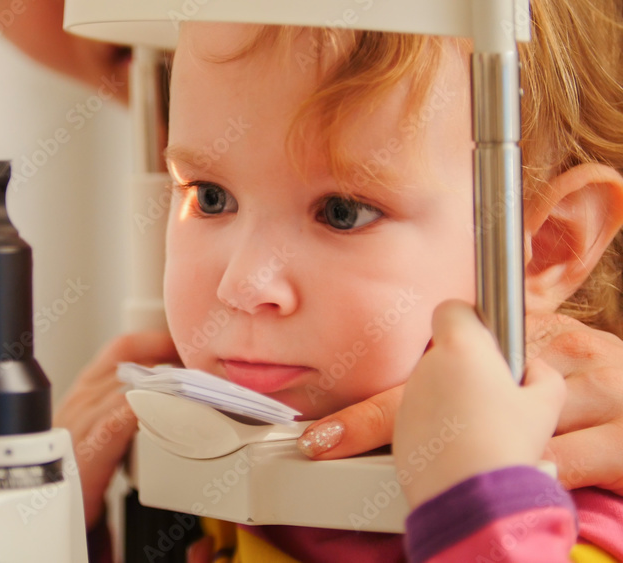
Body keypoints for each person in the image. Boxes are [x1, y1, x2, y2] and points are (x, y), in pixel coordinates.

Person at [41, 1, 623, 561]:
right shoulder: (209, 449)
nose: (242, 286)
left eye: (342, 212)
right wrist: (56, 525)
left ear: (546, 246)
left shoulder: (565, 520)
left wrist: (480, 515)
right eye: (211, 197)